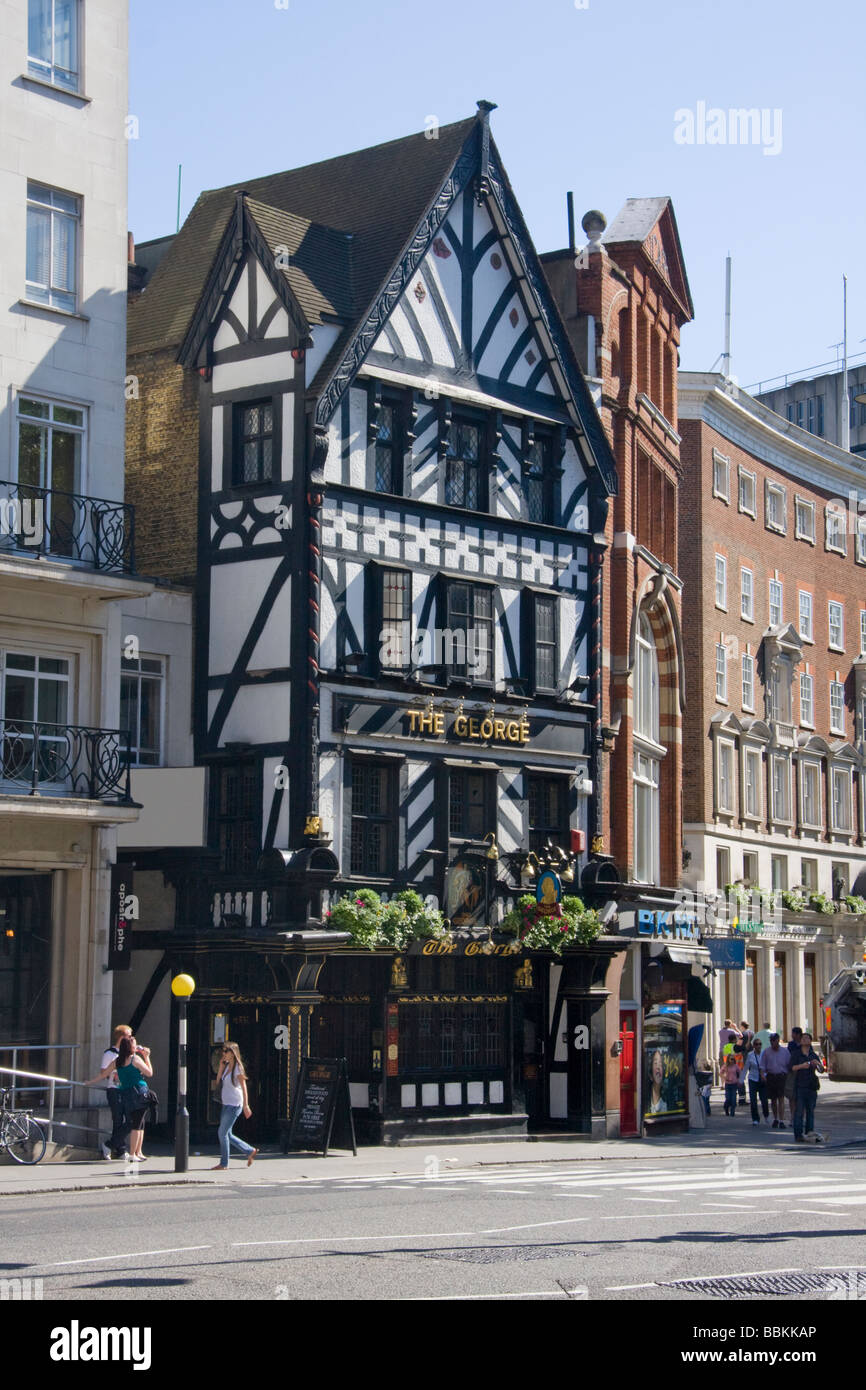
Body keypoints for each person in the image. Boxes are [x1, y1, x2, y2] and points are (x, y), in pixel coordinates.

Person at [86, 1034, 152, 1161]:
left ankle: (137, 1152)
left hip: (126, 1093)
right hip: (139, 1091)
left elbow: (103, 1074)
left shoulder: (117, 1061)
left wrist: (89, 1082)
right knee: (136, 1123)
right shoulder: (135, 1059)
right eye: (135, 1044)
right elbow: (149, 1072)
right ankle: (132, 1152)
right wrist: (147, 1057)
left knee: (137, 1123)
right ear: (131, 1047)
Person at [212, 1042, 258, 1170]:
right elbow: (218, 1082)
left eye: (226, 1051)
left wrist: (246, 1106)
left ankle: (224, 1163)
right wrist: (221, 1068)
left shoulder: (238, 1067)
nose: (223, 1053)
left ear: (232, 1053)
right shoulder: (227, 1067)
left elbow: (244, 1087)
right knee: (228, 1134)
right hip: (226, 1103)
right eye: (224, 1051)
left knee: (222, 1133)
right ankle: (250, 1151)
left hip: (235, 1104)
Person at [99, 1023, 132, 1159]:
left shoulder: (129, 1053)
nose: (131, 1039)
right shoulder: (110, 1054)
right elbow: (103, 1072)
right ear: (122, 1037)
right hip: (114, 1089)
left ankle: (111, 1144)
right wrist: (116, 1071)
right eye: (129, 1036)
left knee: (131, 1118)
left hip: (127, 1089)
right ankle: (121, 1149)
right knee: (117, 1119)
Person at [790, 1031, 825, 1143]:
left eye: (807, 1038)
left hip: (811, 1086)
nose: (804, 1039)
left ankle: (809, 1133)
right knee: (799, 1111)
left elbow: (822, 1070)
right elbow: (792, 1068)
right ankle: (798, 1135)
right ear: (800, 1041)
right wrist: (802, 1066)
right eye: (803, 1038)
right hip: (800, 1086)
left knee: (810, 1111)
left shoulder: (813, 1055)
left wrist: (818, 1064)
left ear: (810, 1041)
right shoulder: (796, 1054)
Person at [760, 1032, 791, 1129]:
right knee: (773, 1099)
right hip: (771, 1076)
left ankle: (781, 1120)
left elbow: (789, 1065)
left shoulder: (785, 1052)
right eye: (771, 1041)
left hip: (781, 1076)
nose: (772, 1042)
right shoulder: (766, 1052)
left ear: (778, 1040)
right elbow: (762, 1066)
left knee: (781, 1099)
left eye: (774, 1040)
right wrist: (762, 1075)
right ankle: (775, 1119)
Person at [743, 1037, 770, 1125]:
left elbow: (768, 1066)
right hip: (753, 1079)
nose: (758, 1046)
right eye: (756, 1044)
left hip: (762, 1079)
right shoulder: (750, 1055)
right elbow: (746, 1067)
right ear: (753, 1046)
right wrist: (741, 1079)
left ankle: (766, 1115)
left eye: (760, 1044)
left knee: (764, 1100)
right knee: (753, 1101)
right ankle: (755, 1118)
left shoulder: (764, 1054)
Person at [785, 1027, 804, 1124]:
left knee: (801, 1096)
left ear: (797, 1034)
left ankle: (801, 1118)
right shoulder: (791, 1044)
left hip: (802, 1073)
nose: (791, 1035)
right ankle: (792, 1117)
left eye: (793, 1034)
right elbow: (788, 1056)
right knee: (792, 1096)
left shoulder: (804, 1043)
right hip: (792, 1072)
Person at [722, 1051, 742, 1116]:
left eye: (733, 1059)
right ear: (728, 1059)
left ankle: (732, 1112)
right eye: (731, 1059)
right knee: (728, 1098)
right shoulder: (725, 1066)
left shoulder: (736, 1066)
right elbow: (720, 1073)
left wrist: (739, 1080)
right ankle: (726, 1108)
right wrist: (724, 1077)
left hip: (734, 1084)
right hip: (727, 1084)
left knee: (733, 1099)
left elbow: (740, 1073)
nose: (732, 1061)